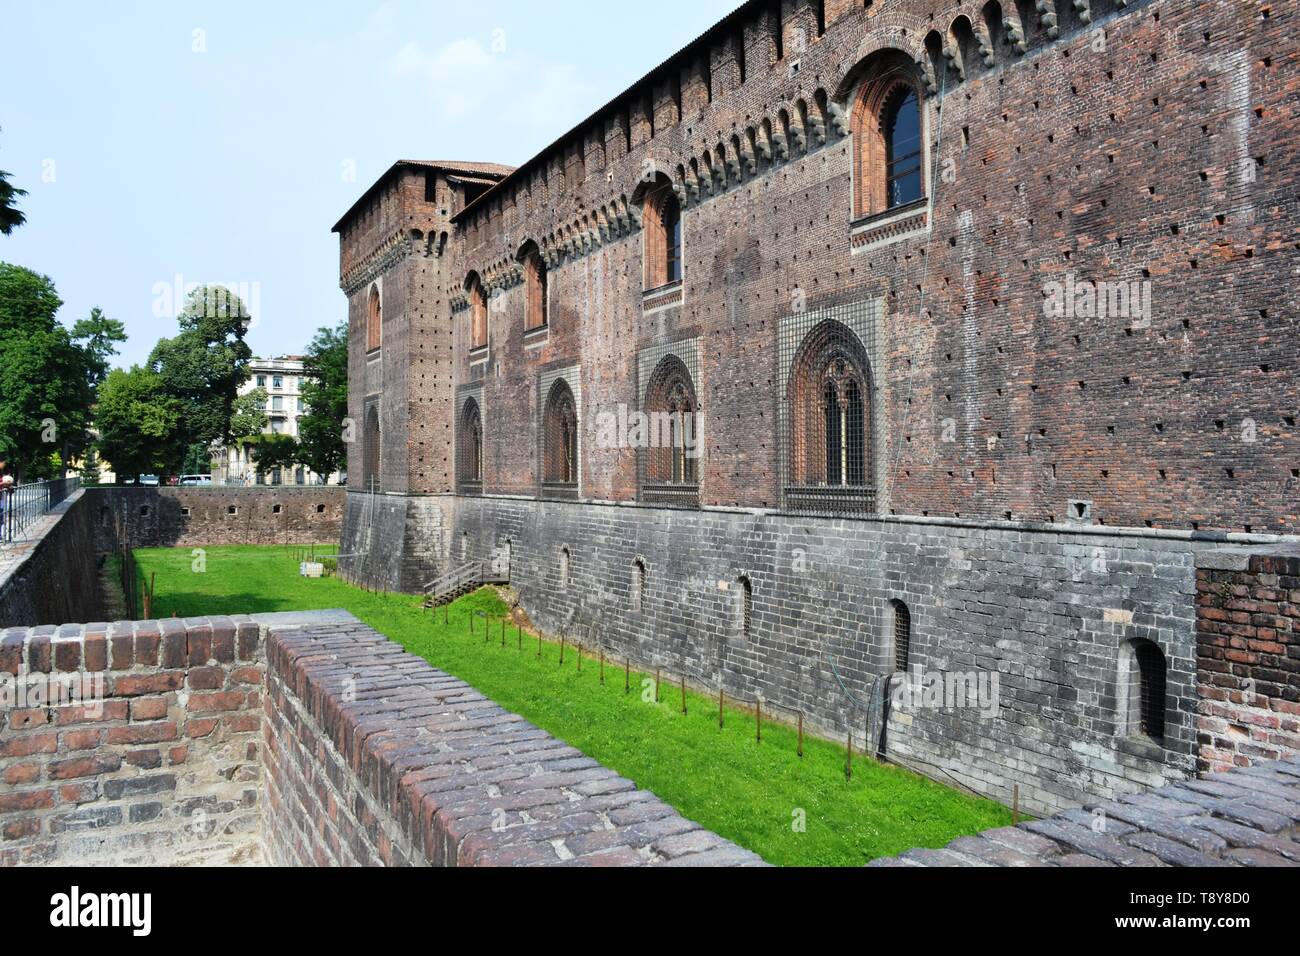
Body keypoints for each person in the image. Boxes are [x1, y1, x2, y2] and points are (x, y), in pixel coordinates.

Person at [0, 458, 13, 543]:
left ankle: (0, 536)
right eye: (2, 462)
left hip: (0, 497)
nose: (4, 464)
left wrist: (7, 487)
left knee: (1, 517)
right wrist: (3, 484)